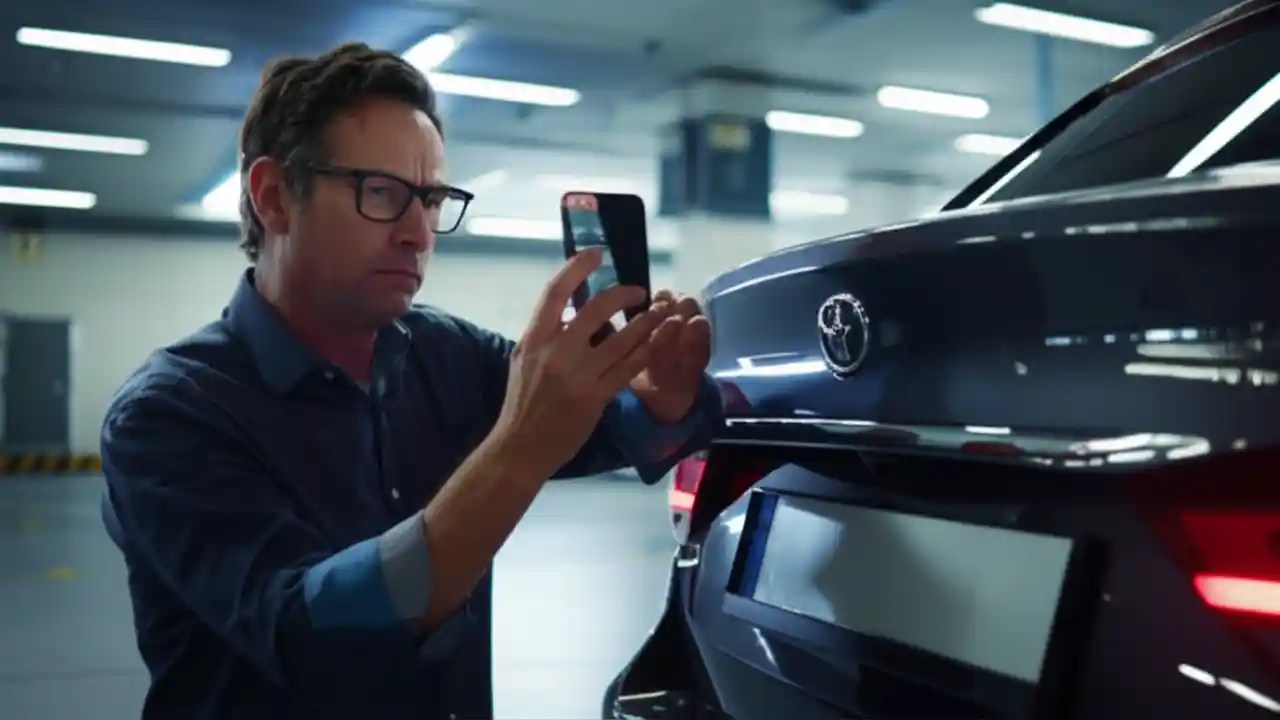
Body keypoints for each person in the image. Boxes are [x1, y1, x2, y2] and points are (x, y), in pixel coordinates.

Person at [99, 42, 722, 720]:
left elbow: (606, 430)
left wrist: (660, 396)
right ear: (275, 197)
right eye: (383, 193)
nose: (418, 233)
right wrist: (516, 453)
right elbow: (312, 638)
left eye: (430, 199)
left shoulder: (445, 354)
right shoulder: (169, 415)